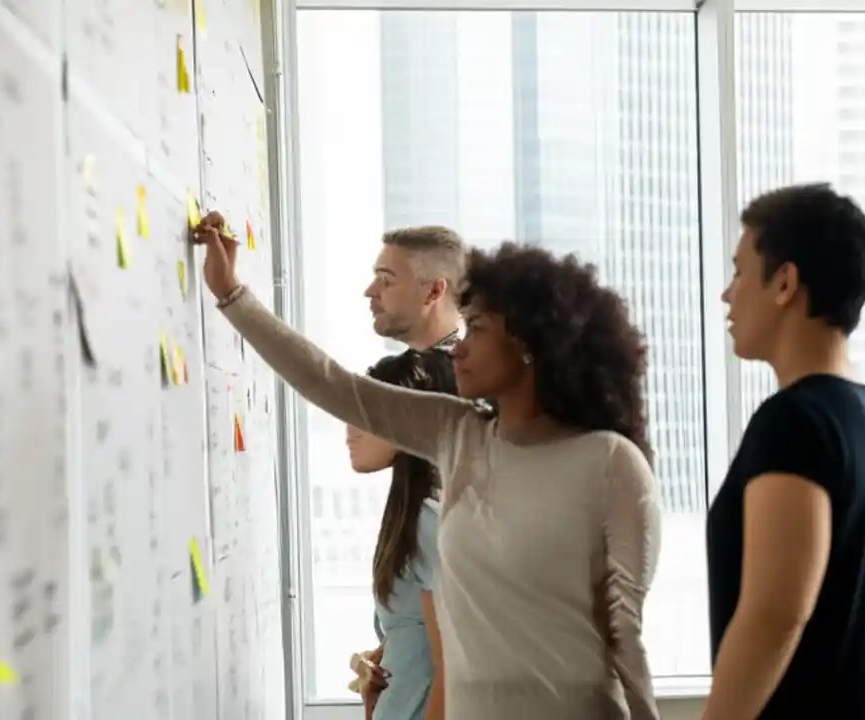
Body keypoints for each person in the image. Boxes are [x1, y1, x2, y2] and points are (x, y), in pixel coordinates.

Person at [193, 211, 661, 720]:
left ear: (529, 343)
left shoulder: (610, 463)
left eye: (476, 329)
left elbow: (626, 639)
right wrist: (230, 293)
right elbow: (332, 384)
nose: (458, 348)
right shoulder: (457, 433)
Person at [703, 184, 865, 719]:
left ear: (784, 282)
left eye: (738, 271)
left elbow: (775, 615)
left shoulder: (796, 424)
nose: (726, 295)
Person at [348, 350, 458, 720]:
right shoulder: (408, 518)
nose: (351, 426)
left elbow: (453, 670)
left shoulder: (430, 523)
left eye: (368, 411)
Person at [365, 226, 466, 352]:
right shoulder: (395, 369)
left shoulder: (474, 370)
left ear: (434, 291)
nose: (369, 291)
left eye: (386, 280)